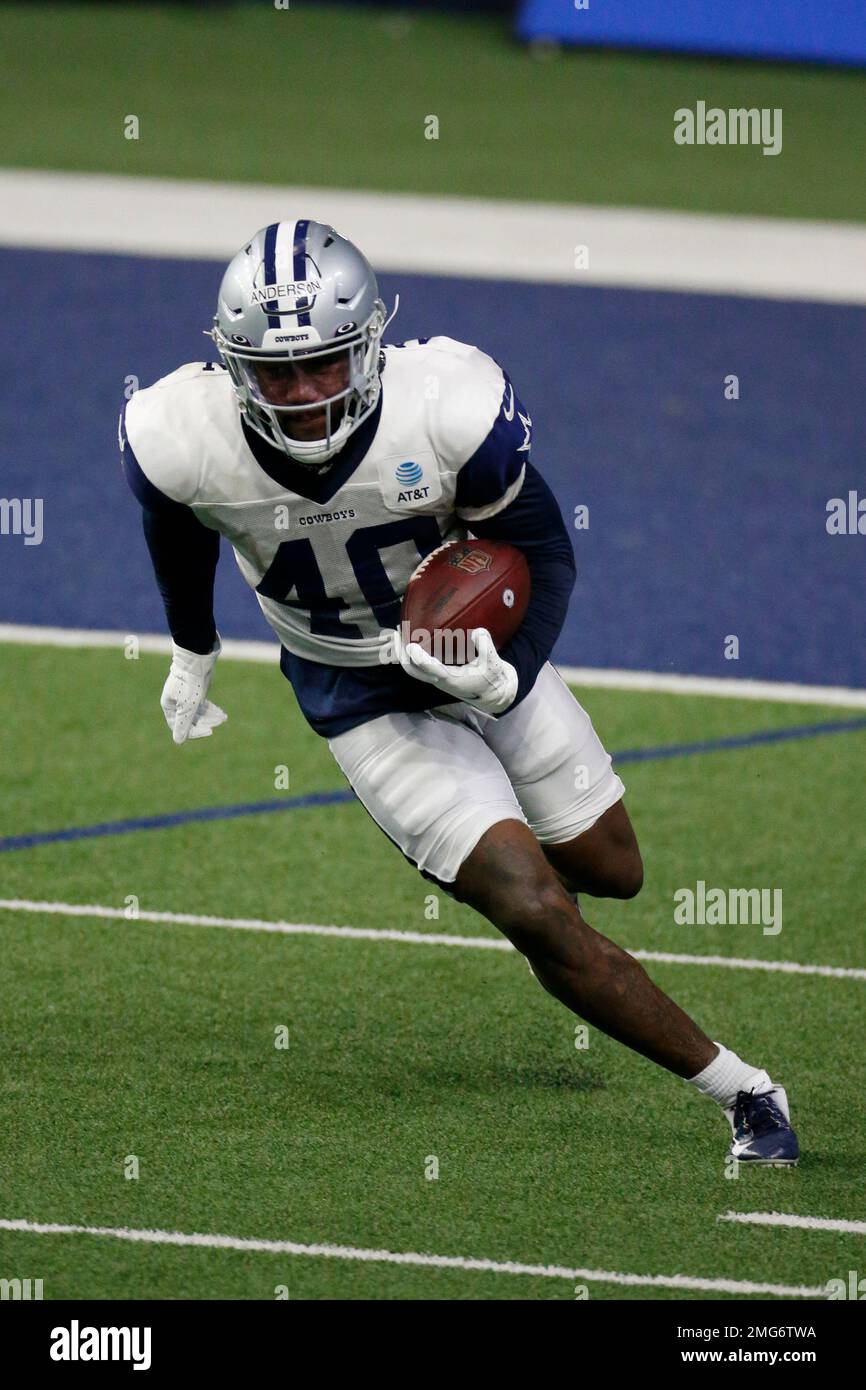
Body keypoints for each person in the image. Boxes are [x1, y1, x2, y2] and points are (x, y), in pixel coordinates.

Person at [120, 218, 799, 1166]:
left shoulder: (448, 409)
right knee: (533, 906)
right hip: (358, 691)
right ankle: (745, 1093)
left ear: (369, 344)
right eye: (277, 373)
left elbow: (550, 551)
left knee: (613, 870)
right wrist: (194, 648)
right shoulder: (175, 434)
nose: (303, 393)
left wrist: (505, 673)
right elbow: (179, 528)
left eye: (322, 364)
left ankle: (523, 873)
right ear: (235, 367)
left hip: (480, 649)